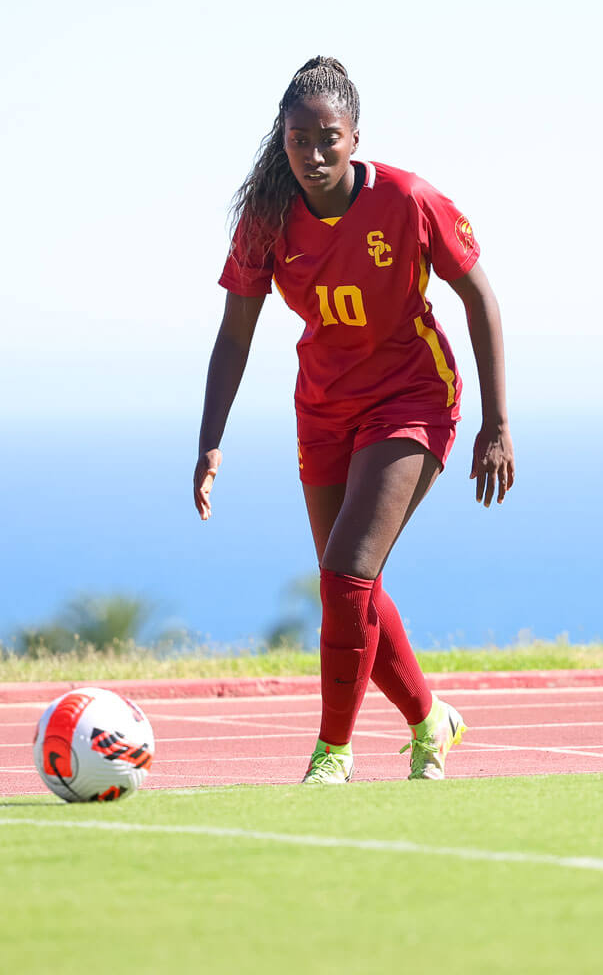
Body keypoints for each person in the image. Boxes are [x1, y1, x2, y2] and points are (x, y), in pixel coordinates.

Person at [194, 57, 515, 784]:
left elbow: (480, 299)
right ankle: (433, 721)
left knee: (345, 576)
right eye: (298, 139)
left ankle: (332, 754)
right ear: (282, 141)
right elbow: (234, 336)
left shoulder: (407, 199)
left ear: (355, 137)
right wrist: (210, 442)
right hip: (323, 409)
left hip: (411, 399)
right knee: (351, 585)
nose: (312, 154)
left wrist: (497, 424)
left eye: (327, 138)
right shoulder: (267, 220)